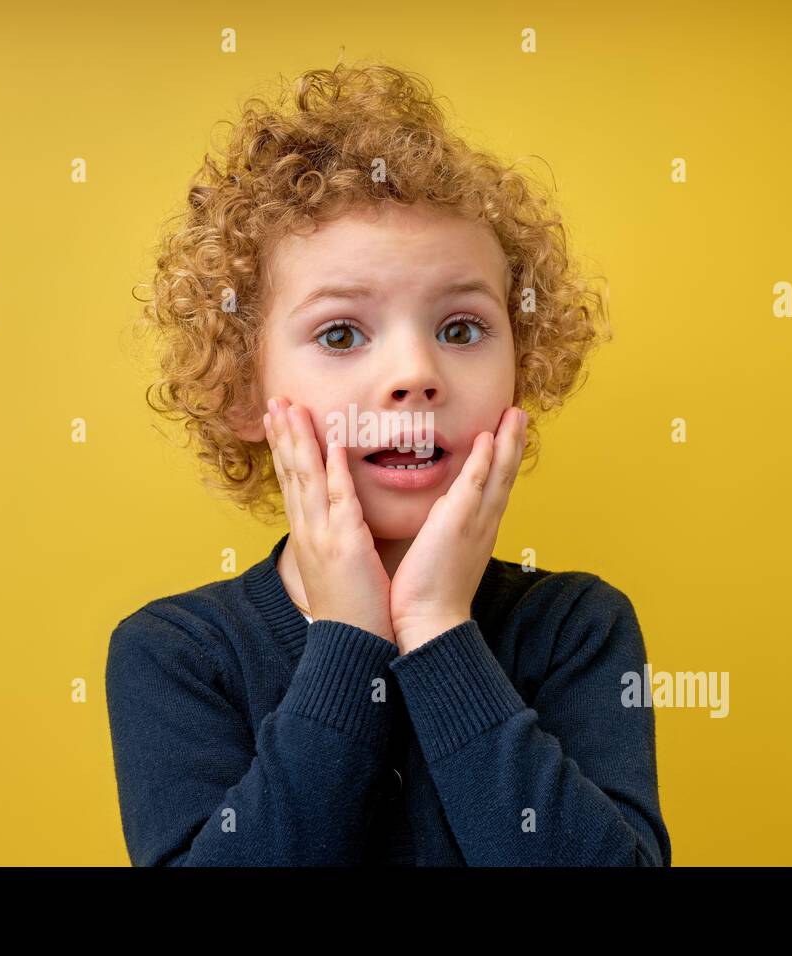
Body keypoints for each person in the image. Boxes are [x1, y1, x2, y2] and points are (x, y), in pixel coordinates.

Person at [105, 60, 671, 866]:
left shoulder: (575, 630)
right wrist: (348, 639)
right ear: (240, 387)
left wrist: (439, 628)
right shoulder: (178, 653)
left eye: (462, 328)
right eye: (341, 334)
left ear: (525, 362)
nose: (416, 373)